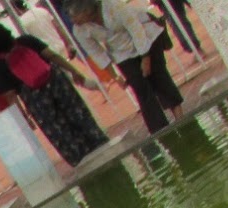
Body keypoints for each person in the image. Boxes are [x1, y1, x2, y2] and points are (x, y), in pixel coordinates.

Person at [0, 21, 107, 166]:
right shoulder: (26, 41)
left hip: (35, 99)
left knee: (59, 132)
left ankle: (80, 160)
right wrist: (75, 72)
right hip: (56, 81)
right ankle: (100, 144)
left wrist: (24, 116)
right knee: (79, 115)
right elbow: (52, 56)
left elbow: (10, 95)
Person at [67, 0, 182, 135]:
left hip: (146, 36)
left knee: (159, 77)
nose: (73, 20)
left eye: (76, 15)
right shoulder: (79, 29)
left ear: (87, 10)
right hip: (121, 52)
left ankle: (181, 119)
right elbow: (97, 53)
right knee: (140, 88)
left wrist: (145, 57)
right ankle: (160, 130)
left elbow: (135, 28)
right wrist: (115, 76)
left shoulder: (113, 6)